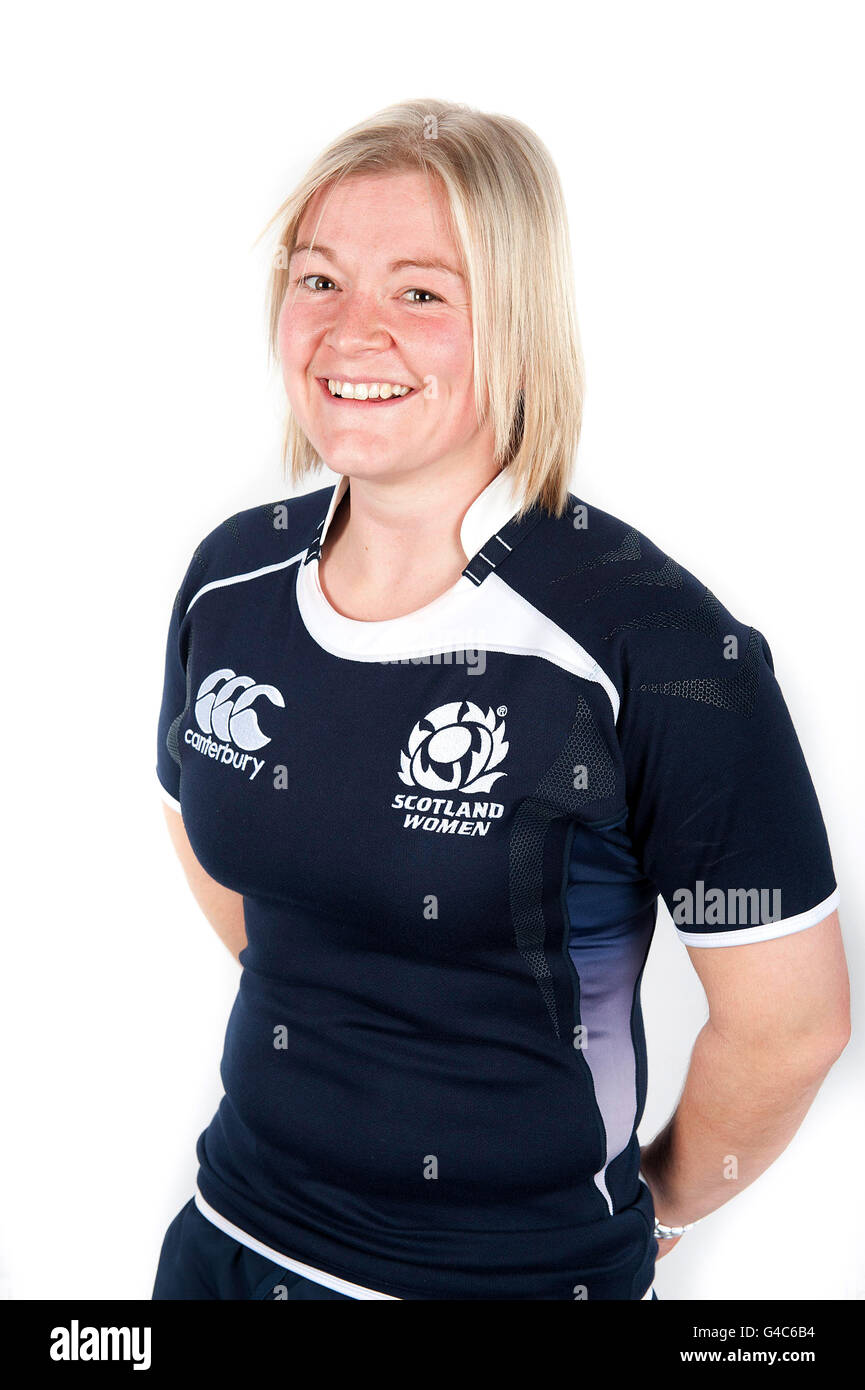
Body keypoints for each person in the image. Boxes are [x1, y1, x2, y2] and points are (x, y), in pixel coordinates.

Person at [152, 99, 849, 1301]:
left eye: (420, 293)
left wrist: (656, 1211)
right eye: (318, 279)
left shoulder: (656, 645)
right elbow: (219, 848)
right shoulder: (232, 578)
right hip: (225, 1239)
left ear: (516, 322)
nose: (348, 331)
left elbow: (791, 1027)